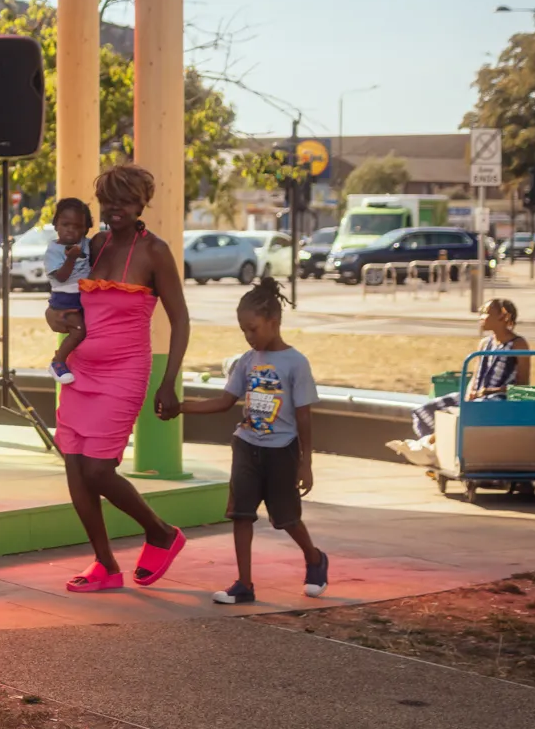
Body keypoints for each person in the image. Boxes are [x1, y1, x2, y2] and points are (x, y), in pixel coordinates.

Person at [56, 163, 191, 593]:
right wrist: (56, 317)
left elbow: (180, 319)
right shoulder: (95, 244)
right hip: (80, 370)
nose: (116, 209)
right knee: (75, 467)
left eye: (126, 201)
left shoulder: (155, 252)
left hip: (124, 372)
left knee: (98, 469)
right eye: (109, 200)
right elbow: (71, 299)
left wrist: (169, 382)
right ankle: (105, 565)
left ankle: (161, 533)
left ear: (142, 203)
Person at [175, 279, 329, 604]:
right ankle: (244, 583)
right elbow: (224, 401)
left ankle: (314, 558)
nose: (249, 336)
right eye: (243, 330)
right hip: (246, 446)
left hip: (282, 452)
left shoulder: (295, 363)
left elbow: (304, 417)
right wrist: (181, 407)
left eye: (253, 328)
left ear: (273, 322)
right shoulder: (247, 360)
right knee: (241, 514)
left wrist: (306, 462)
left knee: (286, 517)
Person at [390, 298, 531, 459]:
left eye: (486, 313)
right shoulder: (485, 343)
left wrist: (488, 391)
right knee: (424, 411)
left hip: (500, 399)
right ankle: (436, 449)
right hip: (477, 396)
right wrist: (469, 392)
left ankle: (431, 445)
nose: (481, 318)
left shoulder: (518, 344)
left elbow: (522, 384)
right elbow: (476, 375)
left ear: (503, 317)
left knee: (466, 413)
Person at [44, 197, 93, 387]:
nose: (70, 230)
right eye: (65, 224)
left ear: (85, 229)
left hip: (82, 297)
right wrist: (71, 259)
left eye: (77, 226)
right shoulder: (53, 250)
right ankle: (58, 361)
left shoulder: (87, 244)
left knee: (86, 330)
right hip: (64, 299)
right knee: (78, 331)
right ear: (56, 224)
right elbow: (62, 277)